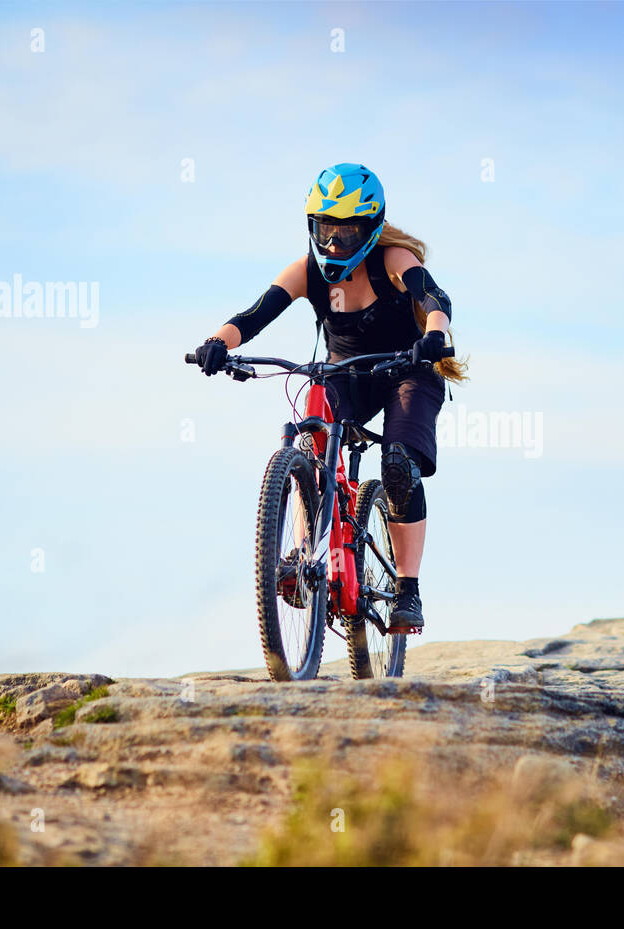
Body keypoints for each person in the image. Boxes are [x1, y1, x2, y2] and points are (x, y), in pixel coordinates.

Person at [191, 163, 465, 631]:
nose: (335, 243)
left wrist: (436, 335)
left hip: (406, 372)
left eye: (348, 230)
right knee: (310, 432)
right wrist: (219, 343)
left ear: (371, 227)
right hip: (347, 375)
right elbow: (254, 315)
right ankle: (304, 554)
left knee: (398, 465)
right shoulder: (307, 272)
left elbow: (433, 299)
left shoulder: (392, 260)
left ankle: (407, 589)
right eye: (325, 229)